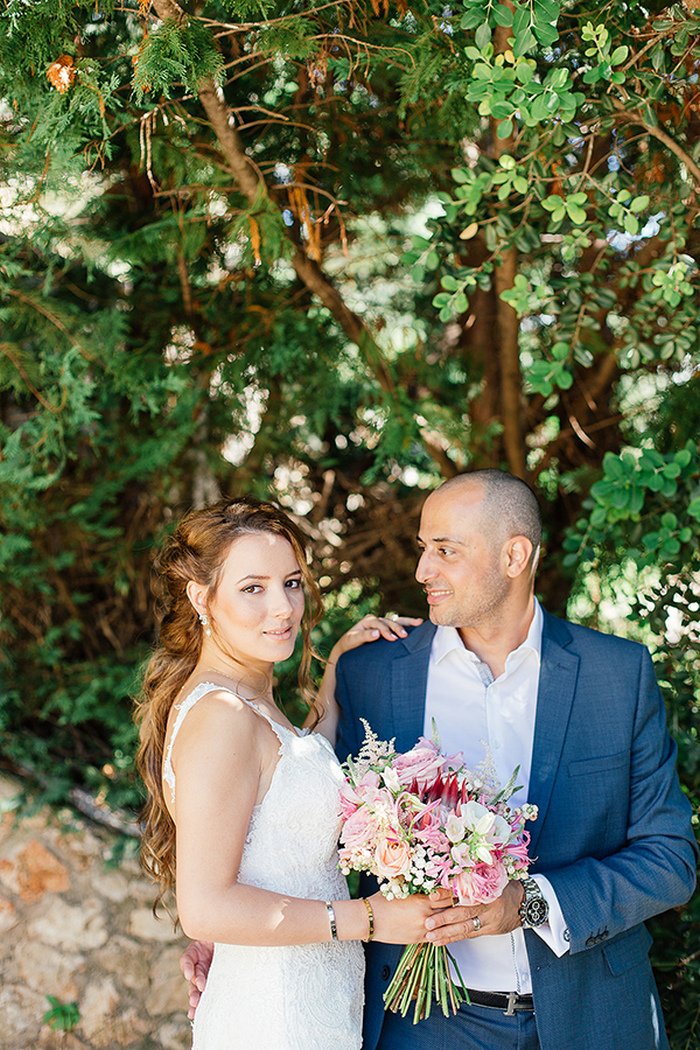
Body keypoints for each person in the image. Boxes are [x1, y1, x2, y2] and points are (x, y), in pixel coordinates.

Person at [184, 471, 697, 1050]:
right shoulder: (373, 674)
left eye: (445, 551)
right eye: (423, 549)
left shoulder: (616, 676)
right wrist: (227, 935)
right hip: (420, 1024)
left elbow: (671, 859)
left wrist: (527, 904)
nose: (422, 570)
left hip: (591, 1018)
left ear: (515, 555)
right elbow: (293, 822)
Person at [135, 496, 453, 1050]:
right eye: (252, 588)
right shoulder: (222, 717)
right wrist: (371, 919)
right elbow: (205, 908)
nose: (283, 608)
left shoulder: (251, 698)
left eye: (292, 583)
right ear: (202, 598)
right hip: (274, 1015)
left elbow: (290, 784)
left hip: (310, 1003)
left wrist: (333, 676)